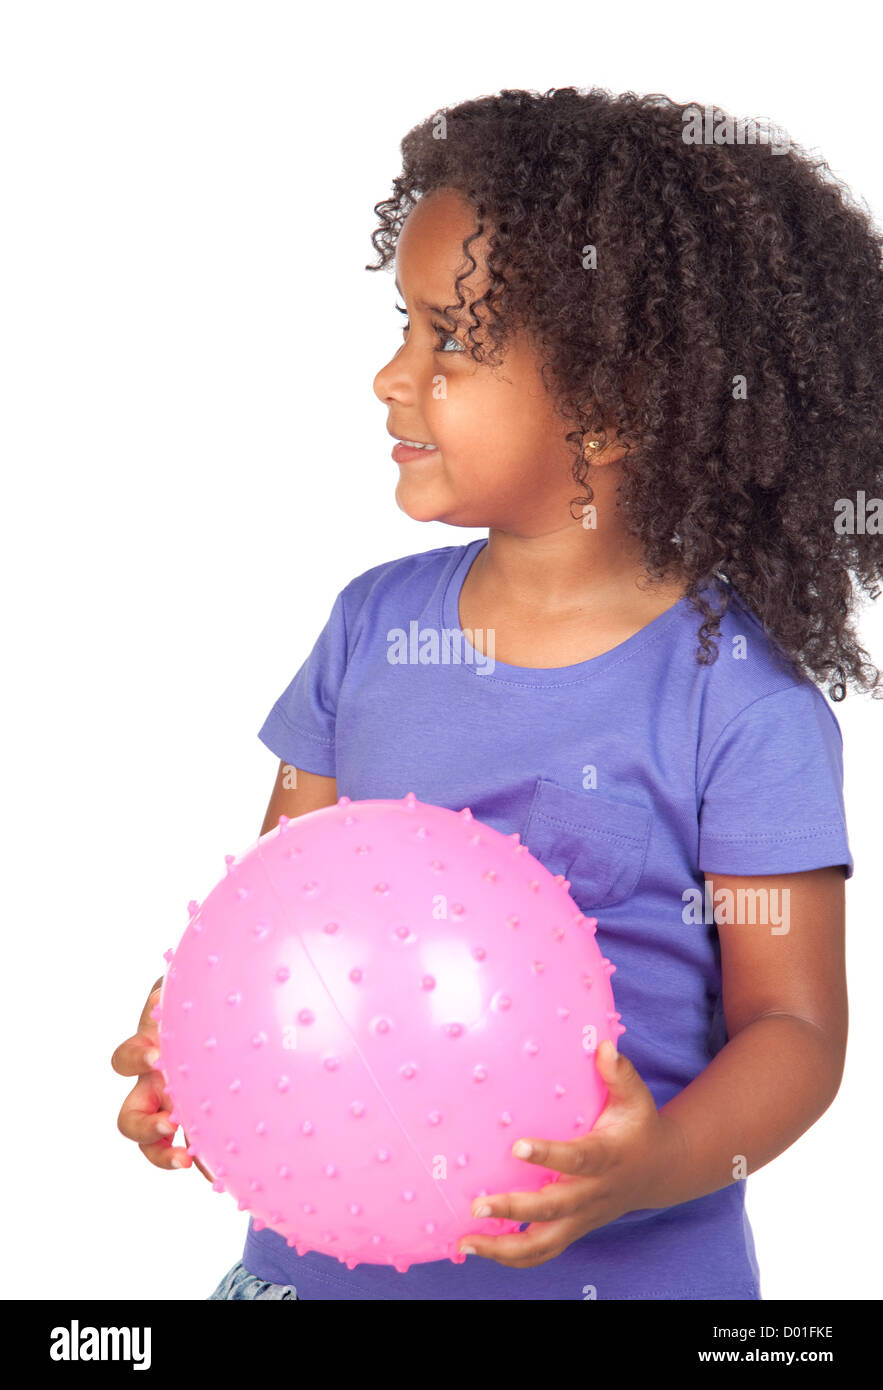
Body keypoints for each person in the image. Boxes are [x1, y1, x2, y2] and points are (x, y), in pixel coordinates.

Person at [113, 86, 883, 1300]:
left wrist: (653, 1161)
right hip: (313, 1277)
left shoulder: (738, 704)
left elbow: (794, 1032)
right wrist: (195, 1048)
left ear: (619, 404)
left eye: (448, 341)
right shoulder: (368, 627)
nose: (390, 374)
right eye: (401, 327)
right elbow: (274, 921)